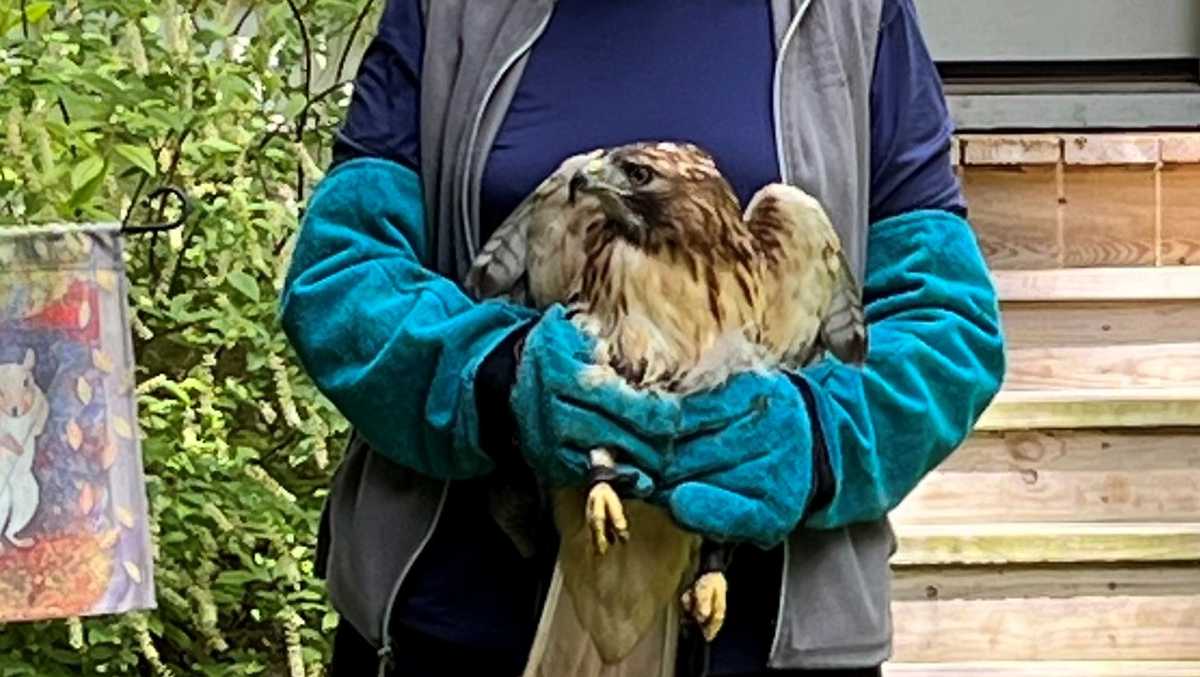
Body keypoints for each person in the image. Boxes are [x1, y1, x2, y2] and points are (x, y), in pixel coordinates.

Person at [279, 1, 1006, 675]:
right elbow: (340, 275)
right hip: (461, 626)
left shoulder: (851, 13)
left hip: (765, 644)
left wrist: (816, 439)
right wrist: (495, 376)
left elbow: (948, 325)